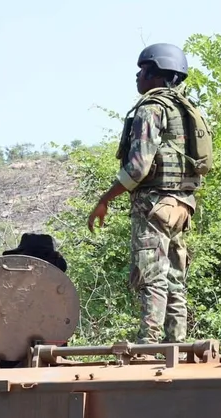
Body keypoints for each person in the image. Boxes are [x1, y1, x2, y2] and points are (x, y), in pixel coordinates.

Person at [87, 43, 209, 344]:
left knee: (151, 273)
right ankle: (175, 344)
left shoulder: (152, 108)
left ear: (155, 73)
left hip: (153, 203)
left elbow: (139, 167)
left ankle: (149, 343)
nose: (138, 75)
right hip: (182, 205)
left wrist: (105, 199)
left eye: (142, 69)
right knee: (175, 277)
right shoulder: (183, 108)